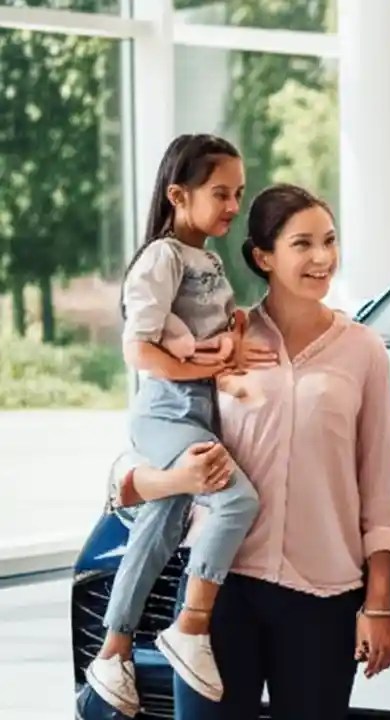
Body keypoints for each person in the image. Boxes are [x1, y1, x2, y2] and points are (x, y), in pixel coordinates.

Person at [107, 183, 390, 719]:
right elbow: (146, 448)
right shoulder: (221, 342)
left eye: (330, 241)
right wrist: (178, 480)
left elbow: (380, 488)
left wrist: (378, 603)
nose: (322, 258)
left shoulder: (365, 351)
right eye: (302, 244)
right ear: (262, 256)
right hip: (218, 596)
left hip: (323, 596)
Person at [86, 133, 273, 717]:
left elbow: (214, 333)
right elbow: (138, 350)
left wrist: (235, 334)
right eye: (220, 193)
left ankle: (113, 650)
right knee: (237, 502)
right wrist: (197, 367)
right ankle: (190, 626)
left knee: (158, 528)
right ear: (177, 194)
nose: (232, 207)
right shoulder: (162, 258)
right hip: (167, 412)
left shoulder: (208, 259)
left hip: (196, 408)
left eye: (238, 194)